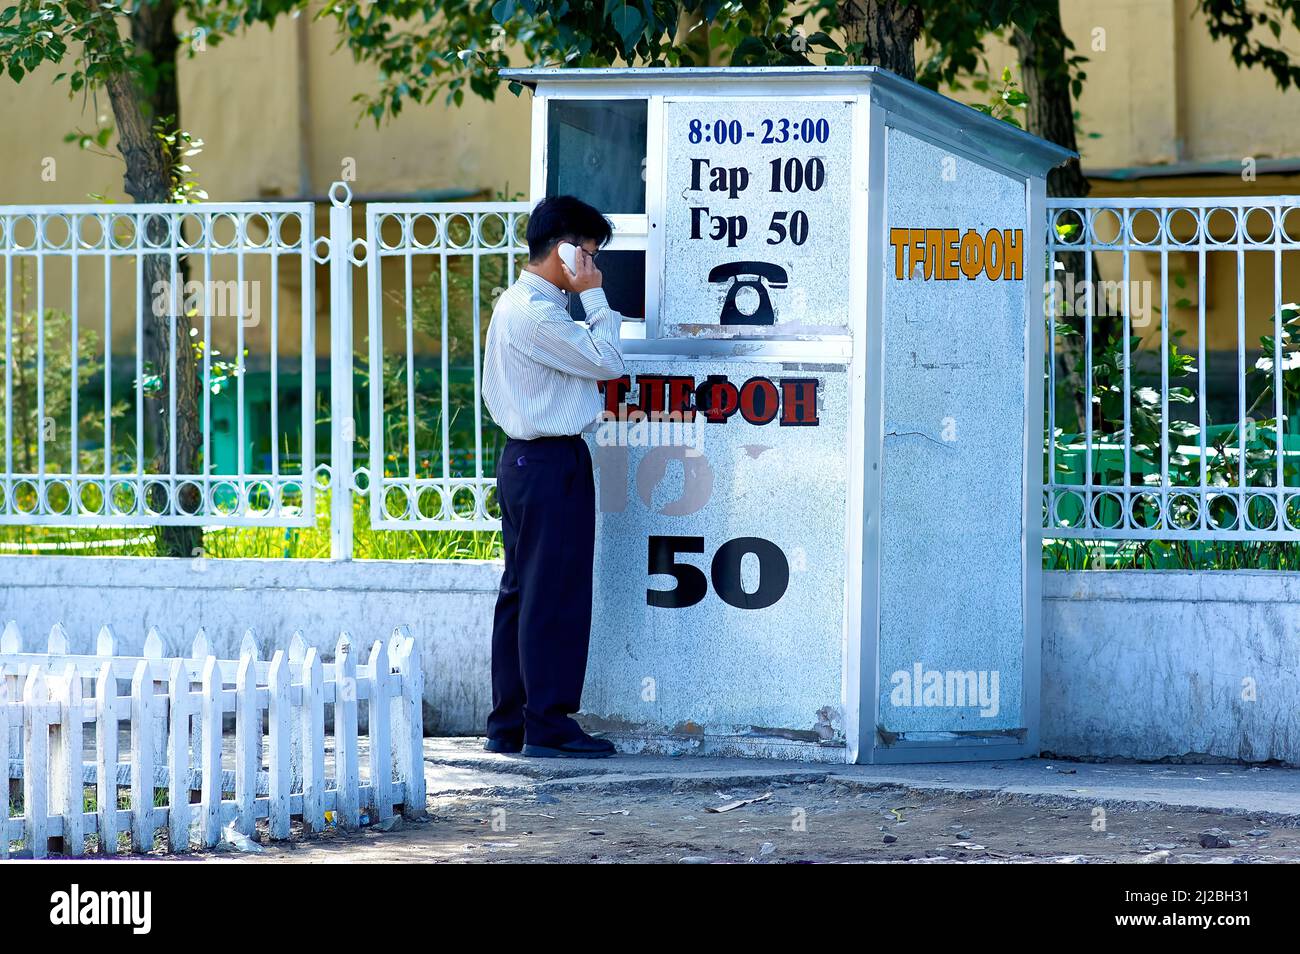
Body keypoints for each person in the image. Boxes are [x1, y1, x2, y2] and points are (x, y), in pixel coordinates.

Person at [480, 195, 627, 758]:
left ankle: (508, 724)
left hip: (527, 462)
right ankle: (548, 724)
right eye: (589, 253)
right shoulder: (537, 313)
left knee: (522, 593)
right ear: (566, 249)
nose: (594, 265)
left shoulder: (521, 305)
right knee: (554, 595)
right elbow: (609, 360)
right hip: (548, 462)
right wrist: (596, 298)